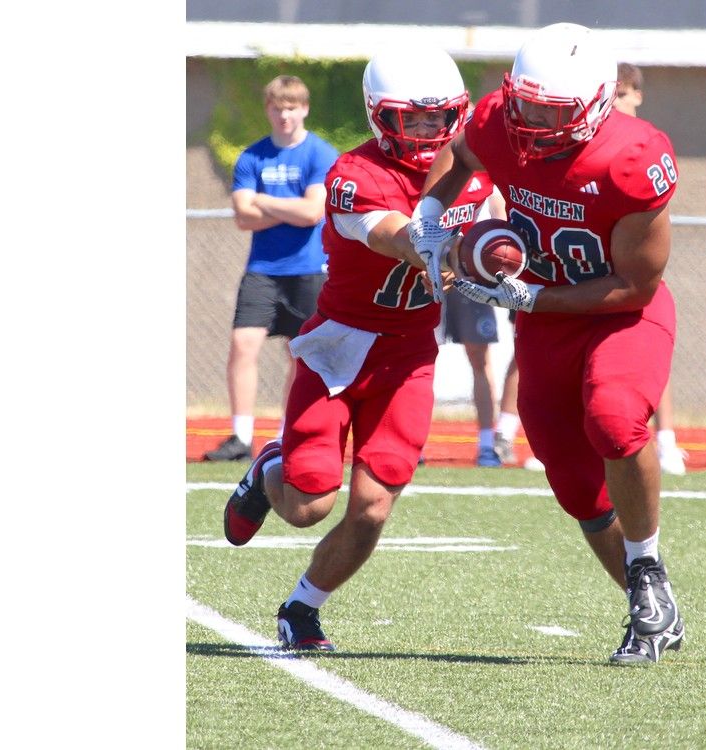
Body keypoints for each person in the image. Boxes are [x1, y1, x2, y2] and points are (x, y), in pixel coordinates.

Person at [411, 23, 684, 665]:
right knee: (571, 480)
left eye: (549, 111)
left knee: (614, 419)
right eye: (523, 103)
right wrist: (430, 216)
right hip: (544, 320)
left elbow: (635, 287)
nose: (529, 121)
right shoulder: (502, 118)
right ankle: (652, 612)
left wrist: (529, 297)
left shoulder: (633, 158)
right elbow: (461, 154)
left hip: (618, 312)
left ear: (597, 102)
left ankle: (645, 569)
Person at [222, 49, 492, 651]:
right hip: (337, 352)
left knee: (371, 508)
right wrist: (457, 251)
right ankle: (269, 470)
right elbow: (395, 236)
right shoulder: (354, 175)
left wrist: (510, 251)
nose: (426, 132)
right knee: (307, 504)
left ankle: (301, 607)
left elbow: (501, 219)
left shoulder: (477, 169)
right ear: (380, 117)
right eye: (411, 120)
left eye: (437, 118)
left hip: (408, 356)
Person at [205, 75, 339, 461]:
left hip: (310, 268)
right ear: (268, 109)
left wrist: (263, 201)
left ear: (305, 109)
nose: (285, 114)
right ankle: (241, 438)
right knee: (242, 345)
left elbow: (314, 211)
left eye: (292, 107)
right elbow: (243, 218)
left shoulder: (320, 154)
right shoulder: (252, 157)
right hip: (263, 269)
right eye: (278, 107)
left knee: (301, 356)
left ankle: (286, 435)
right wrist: (287, 207)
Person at [613, 62, 687, 476]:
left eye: (624, 95)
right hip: (595, 261)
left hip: (638, 261)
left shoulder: (647, 144)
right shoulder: (595, 139)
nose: (618, 104)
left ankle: (666, 440)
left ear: (638, 95)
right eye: (612, 96)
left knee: (651, 358)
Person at [439, 186, 508, 467]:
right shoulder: (431, 169)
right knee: (418, 358)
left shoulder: (484, 170)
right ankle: (411, 444)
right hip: (424, 268)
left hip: (471, 273)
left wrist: (494, 260)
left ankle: (487, 444)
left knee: (479, 358)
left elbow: (501, 218)